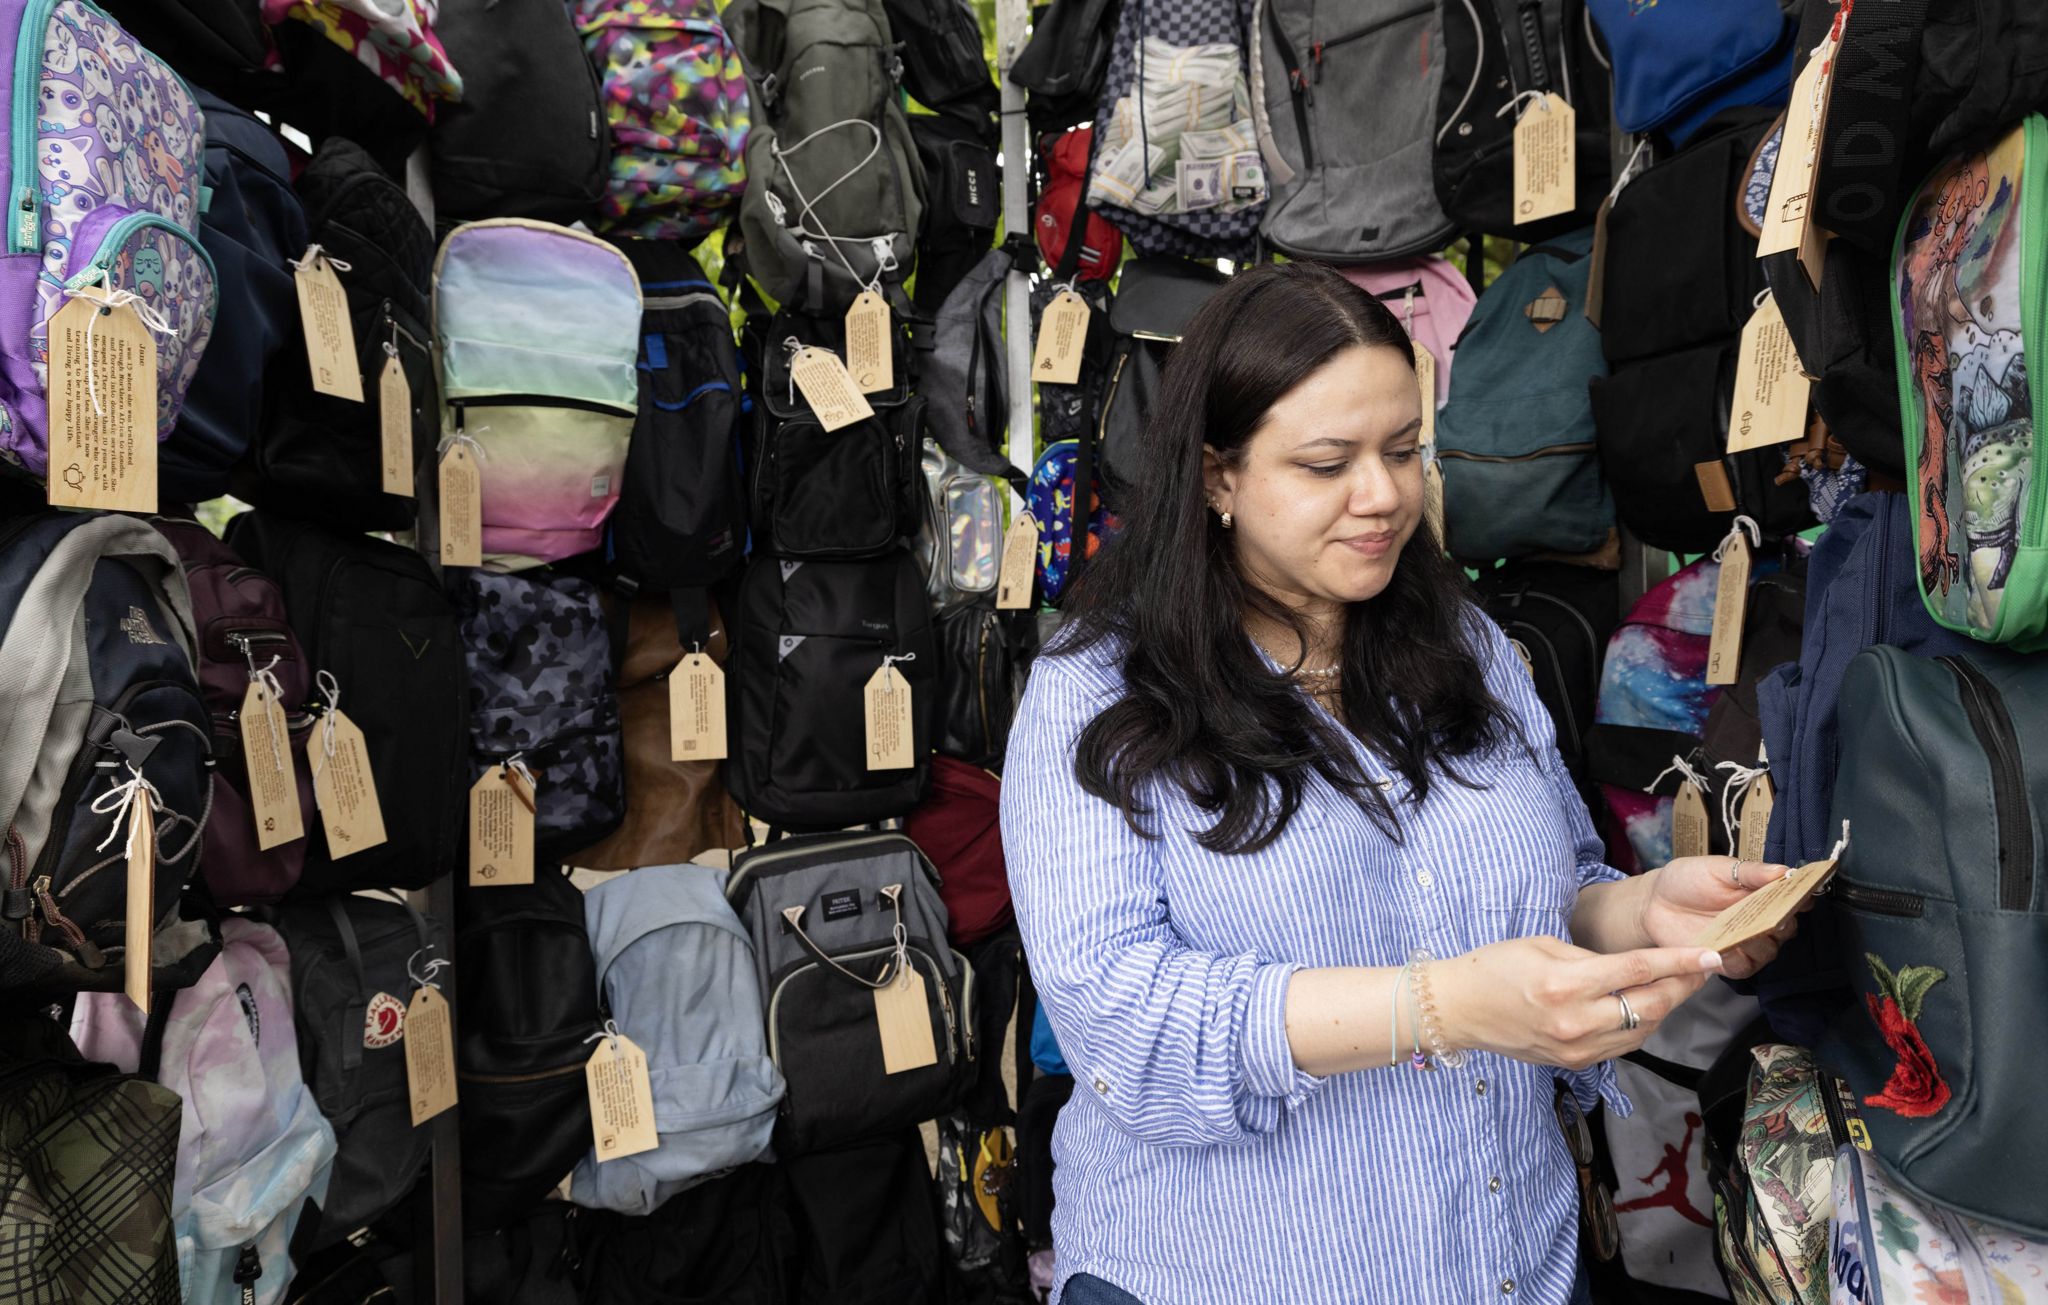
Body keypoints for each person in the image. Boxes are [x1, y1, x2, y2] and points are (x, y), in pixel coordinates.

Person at [999, 262, 1803, 1305]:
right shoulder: (1094, 690)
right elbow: (1123, 1022)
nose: (1381, 495)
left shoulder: (1461, 638)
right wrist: (1438, 1008)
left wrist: (1643, 909)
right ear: (1216, 476)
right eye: (1326, 463)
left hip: (1509, 1263)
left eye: (1402, 451)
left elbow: (1549, 884)